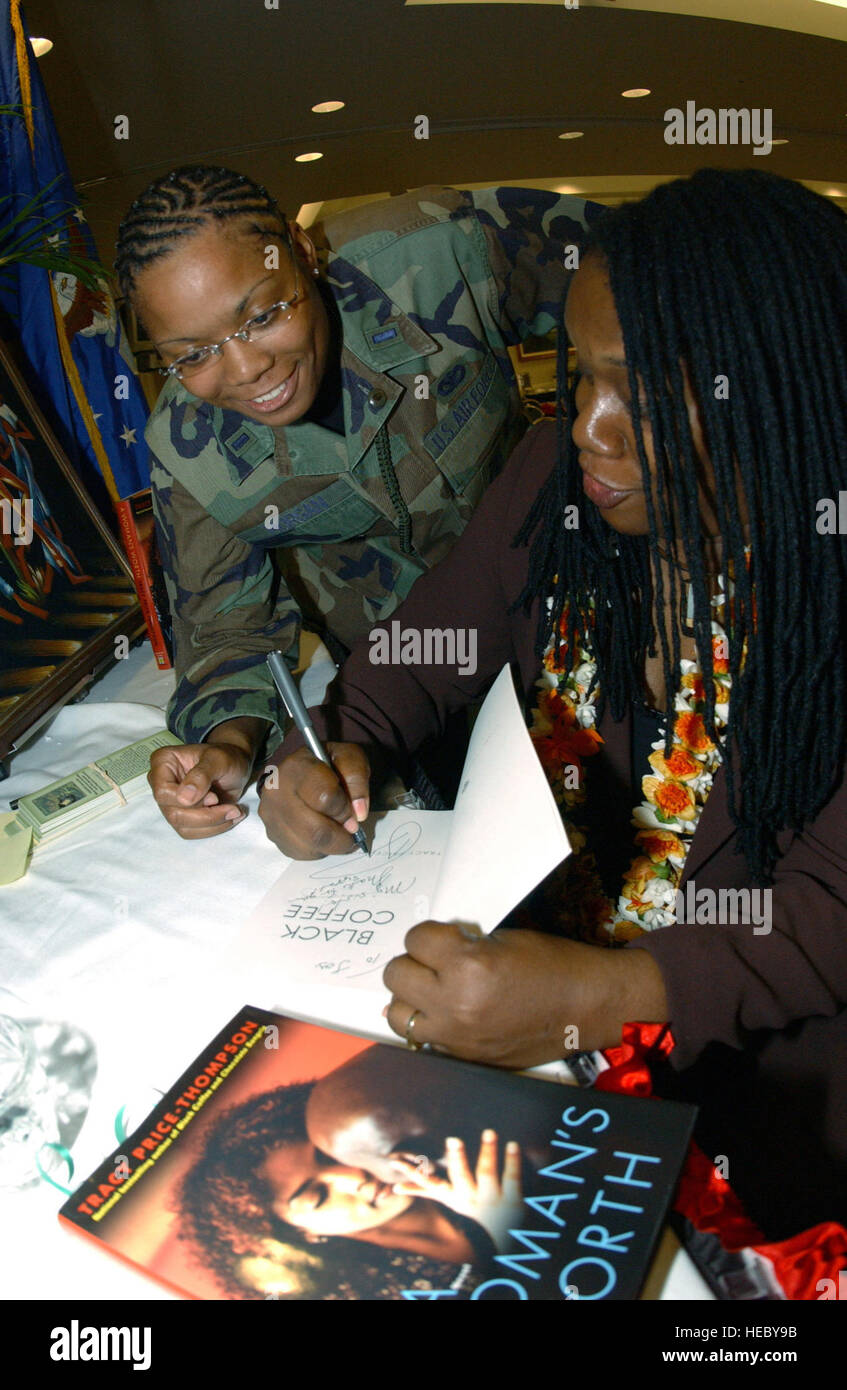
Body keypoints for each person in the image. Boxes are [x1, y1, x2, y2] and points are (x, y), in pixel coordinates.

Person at [258, 168, 847, 1243]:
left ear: (769, 393)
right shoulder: (553, 481)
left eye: (637, 394)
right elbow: (421, 651)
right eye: (579, 381)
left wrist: (600, 995)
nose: (588, 427)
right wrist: (339, 746)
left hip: (757, 1086)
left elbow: (824, 917)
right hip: (530, 969)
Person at [113, 166, 597, 838]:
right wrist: (228, 745)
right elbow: (229, 635)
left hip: (580, 630)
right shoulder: (186, 450)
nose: (244, 368)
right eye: (191, 354)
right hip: (404, 696)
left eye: (262, 315)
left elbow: (654, 280)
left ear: (300, 252)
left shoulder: (436, 251)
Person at [178, 1076, 523, 1299]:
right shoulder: (356, 1293)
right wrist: (504, 1231)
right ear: (301, 1234)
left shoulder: (459, 1157)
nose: (354, 1177)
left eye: (329, 1154)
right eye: (317, 1196)